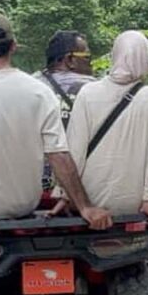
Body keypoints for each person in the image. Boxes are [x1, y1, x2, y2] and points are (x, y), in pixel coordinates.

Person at [0, 13, 111, 236]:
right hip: (25, 205)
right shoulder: (39, 92)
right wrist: (85, 207)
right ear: (13, 46)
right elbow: (59, 155)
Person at [62, 31, 148, 220]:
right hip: (133, 204)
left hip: (89, 202)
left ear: (115, 55)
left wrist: (65, 195)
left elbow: (74, 150)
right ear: (146, 59)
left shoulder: (88, 94)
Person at [34, 31, 97, 190]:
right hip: (81, 189)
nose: (91, 63)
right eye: (87, 57)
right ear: (70, 60)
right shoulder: (96, 89)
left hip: (35, 185)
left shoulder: (30, 86)